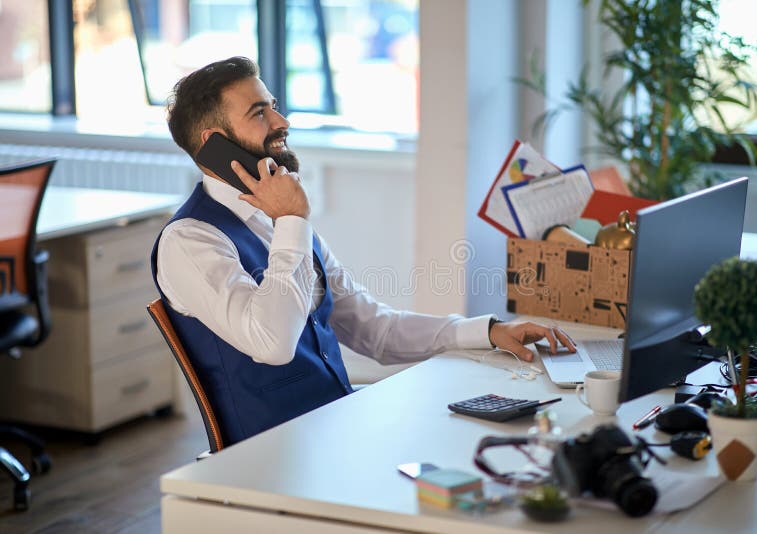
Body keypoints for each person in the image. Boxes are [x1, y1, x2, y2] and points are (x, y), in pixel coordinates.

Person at [151, 56, 575, 445]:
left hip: (335, 423)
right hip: (270, 454)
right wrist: (292, 222)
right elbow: (273, 343)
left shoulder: (280, 224)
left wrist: (487, 332)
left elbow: (374, 330)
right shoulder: (191, 240)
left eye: (274, 105)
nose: (281, 120)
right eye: (259, 113)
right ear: (213, 143)